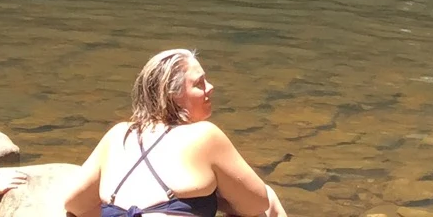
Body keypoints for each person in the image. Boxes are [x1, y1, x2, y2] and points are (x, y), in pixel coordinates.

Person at [56, 50, 284, 217]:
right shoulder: (205, 136)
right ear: (173, 95)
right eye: (200, 83)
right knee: (269, 200)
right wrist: (221, 201)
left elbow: (74, 205)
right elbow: (256, 204)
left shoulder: (119, 135)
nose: (211, 88)